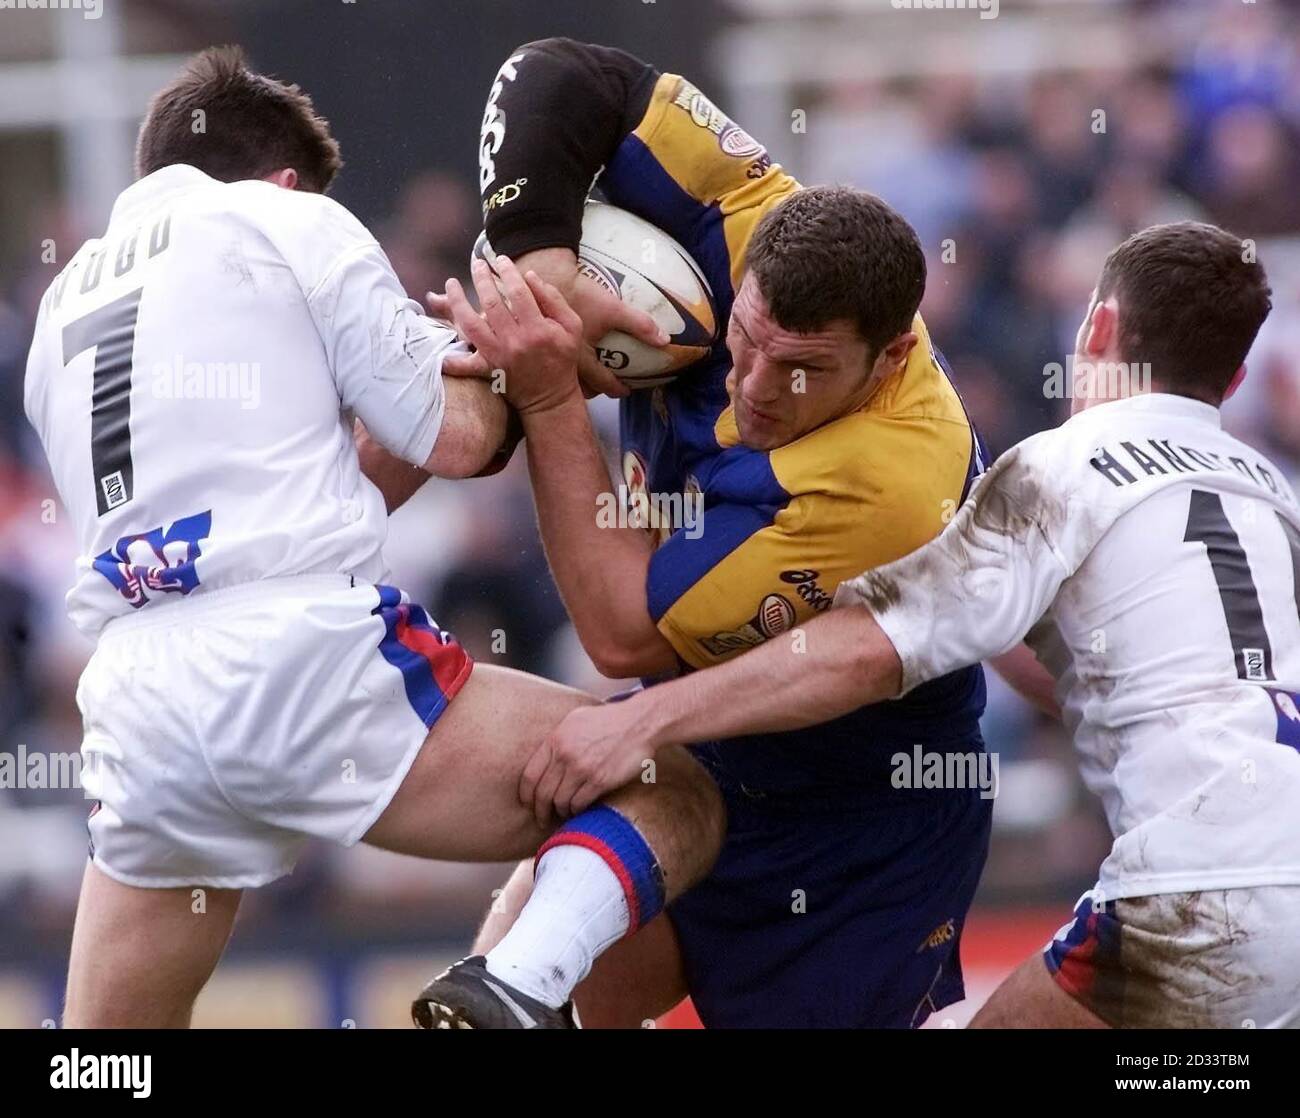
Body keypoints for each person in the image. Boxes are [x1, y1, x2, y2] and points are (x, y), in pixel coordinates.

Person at [24, 46, 723, 1030]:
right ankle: (510, 988)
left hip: (138, 700)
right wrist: (531, 352)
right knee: (664, 781)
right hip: (298, 653)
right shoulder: (289, 218)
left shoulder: (57, 305)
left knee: (103, 1055)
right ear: (281, 178)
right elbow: (460, 433)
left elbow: (301, 486)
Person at [532, 221, 1300, 1029]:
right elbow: (1093, 675)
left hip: (1196, 886)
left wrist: (646, 718)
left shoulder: (1064, 465)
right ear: (1236, 375)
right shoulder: (1275, 499)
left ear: (1098, 327)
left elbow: (865, 653)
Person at [435, 37, 993, 1029]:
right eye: (747, 341)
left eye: (804, 370)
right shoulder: (746, 209)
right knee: (517, 1002)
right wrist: (540, 258)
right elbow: (558, 74)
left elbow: (616, 626)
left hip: (862, 822)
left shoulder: (888, 479)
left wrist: (551, 387)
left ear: (891, 353)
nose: (755, 389)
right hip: (694, 760)